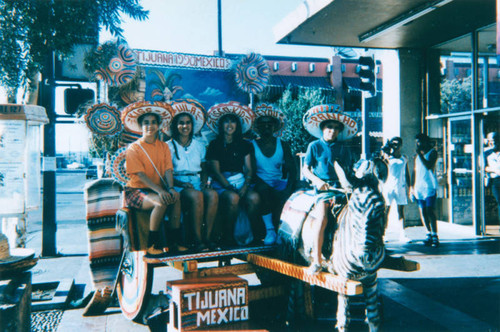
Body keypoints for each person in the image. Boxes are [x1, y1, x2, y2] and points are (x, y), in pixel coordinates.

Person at [302, 105, 356, 274]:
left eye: (335, 128)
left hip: (341, 189)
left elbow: (348, 170)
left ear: (339, 131)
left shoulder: (343, 148)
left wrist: (349, 183)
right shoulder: (314, 146)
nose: (332, 131)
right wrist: (317, 181)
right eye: (329, 127)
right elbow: (306, 169)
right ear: (322, 129)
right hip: (323, 190)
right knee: (322, 217)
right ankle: (316, 261)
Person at [123, 103, 181, 256]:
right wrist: (161, 191)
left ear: (158, 125)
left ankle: (174, 243)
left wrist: (171, 188)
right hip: (137, 190)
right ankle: (151, 245)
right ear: (141, 126)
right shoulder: (134, 148)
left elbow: (168, 170)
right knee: (160, 201)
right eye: (146, 123)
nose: (150, 126)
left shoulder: (163, 147)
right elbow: (140, 175)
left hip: (156, 189)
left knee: (176, 198)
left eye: (153, 122)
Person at [166, 102, 218, 251]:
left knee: (213, 195)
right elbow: (166, 173)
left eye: (188, 123)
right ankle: (197, 239)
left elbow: (204, 168)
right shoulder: (168, 146)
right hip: (178, 183)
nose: (185, 126)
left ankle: (207, 237)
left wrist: (204, 182)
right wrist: (181, 184)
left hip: (195, 181)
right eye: (181, 123)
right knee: (196, 196)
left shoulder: (199, 145)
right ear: (175, 125)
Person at [205, 104, 260, 247]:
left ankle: (255, 236)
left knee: (254, 198)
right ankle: (228, 238)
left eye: (233, 121)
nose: (229, 125)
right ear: (221, 124)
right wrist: (228, 187)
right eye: (226, 121)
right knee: (233, 198)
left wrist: (245, 186)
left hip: (241, 182)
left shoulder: (245, 145)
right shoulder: (214, 144)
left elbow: (249, 169)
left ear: (238, 125)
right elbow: (216, 171)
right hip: (222, 183)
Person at [251, 104, 297, 245]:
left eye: (269, 124)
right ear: (257, 127)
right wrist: (269, 188)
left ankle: (291, 232)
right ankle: (270, 230)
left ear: (275, 127)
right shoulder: (251, 145)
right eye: (262, 124)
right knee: (264, 191)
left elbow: (292, 170)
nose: (266, 127)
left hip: (277, 182)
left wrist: (288, 189)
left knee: (298, 191)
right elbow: (252, 172)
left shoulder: (283, 145)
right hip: (258, 183)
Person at [411, 133, 439, 247]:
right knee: (422, 211)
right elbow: (414, 171)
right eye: (417, 142)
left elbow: (428, 165)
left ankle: (435, 234)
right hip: (418, 187)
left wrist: (420, 155)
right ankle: (428, 233)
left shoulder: (432, 152)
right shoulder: (417, 156)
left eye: (420, 142)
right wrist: (411, 187)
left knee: (429, 210)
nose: (418, 144)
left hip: (429, 186)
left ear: (425, 142)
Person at [381, 137, 411, 242]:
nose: (396, 146)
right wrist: (385, 154)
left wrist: (410, 186)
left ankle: (402, 234)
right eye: (393, 144)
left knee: (401, 211)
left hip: (400, 187)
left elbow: (407, 173)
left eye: (397, 144)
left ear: (401, 145)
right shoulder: (387, 158)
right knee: (386, 211)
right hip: (388, 187)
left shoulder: (404, 158)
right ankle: (384, 234)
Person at [485, 131, 500, 219]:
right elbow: (483, 167)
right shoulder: (487, 153)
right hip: (496, 180)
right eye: (490, 141)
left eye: (494, 140)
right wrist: (494, 170)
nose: (492, 143)